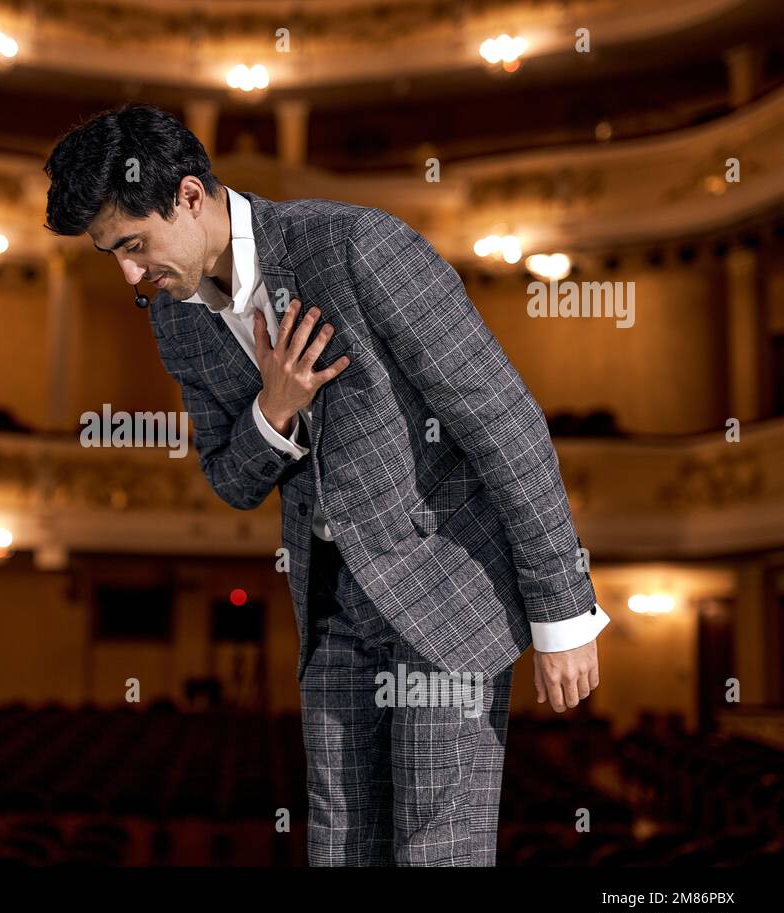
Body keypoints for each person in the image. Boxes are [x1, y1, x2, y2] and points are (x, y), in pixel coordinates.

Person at [42, 103, 609, 866]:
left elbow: (502, 419)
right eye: (112, 253)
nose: (131, 275)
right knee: (339, 850)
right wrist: (273, 413)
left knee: (436, 853)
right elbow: (231, 481)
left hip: (446, 596)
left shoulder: (355, 246)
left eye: (134, 246)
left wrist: (564, 612)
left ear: (187, 195)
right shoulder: (175, 322)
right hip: (332, 607)